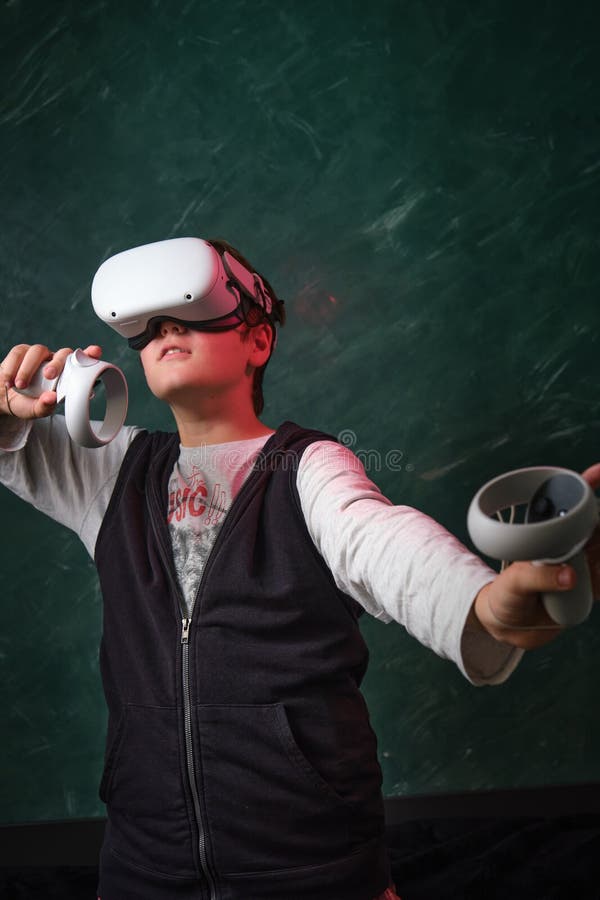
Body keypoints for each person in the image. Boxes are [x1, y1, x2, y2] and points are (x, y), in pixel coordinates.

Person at [1, 238, 599, 900]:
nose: (165, 328)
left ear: (258, 341)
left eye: (189, 312)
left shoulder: (307, 466)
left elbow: (383, 541)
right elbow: (7, 449)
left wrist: (484, 604)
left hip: (314, 869)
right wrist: (6, 404)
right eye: (147, 327)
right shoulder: (110, 475)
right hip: (146, 871)